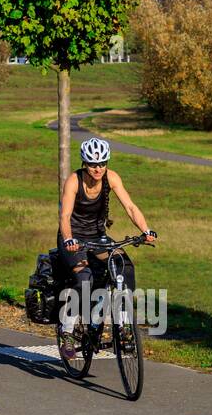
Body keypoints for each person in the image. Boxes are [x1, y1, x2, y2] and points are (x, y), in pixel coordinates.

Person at [57, 136, 157, 359]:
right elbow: (64, 215)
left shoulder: (111, 178)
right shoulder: (74, 181)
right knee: (84, 280)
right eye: (93, 164)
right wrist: (68, 239)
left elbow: (130, 207)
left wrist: (146, 230)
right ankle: (67, 331)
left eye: (102, 163)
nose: (98, 168)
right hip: (73, 238)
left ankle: (122, 324)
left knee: (124, 267)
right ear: (85, 163)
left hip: (97, 236)